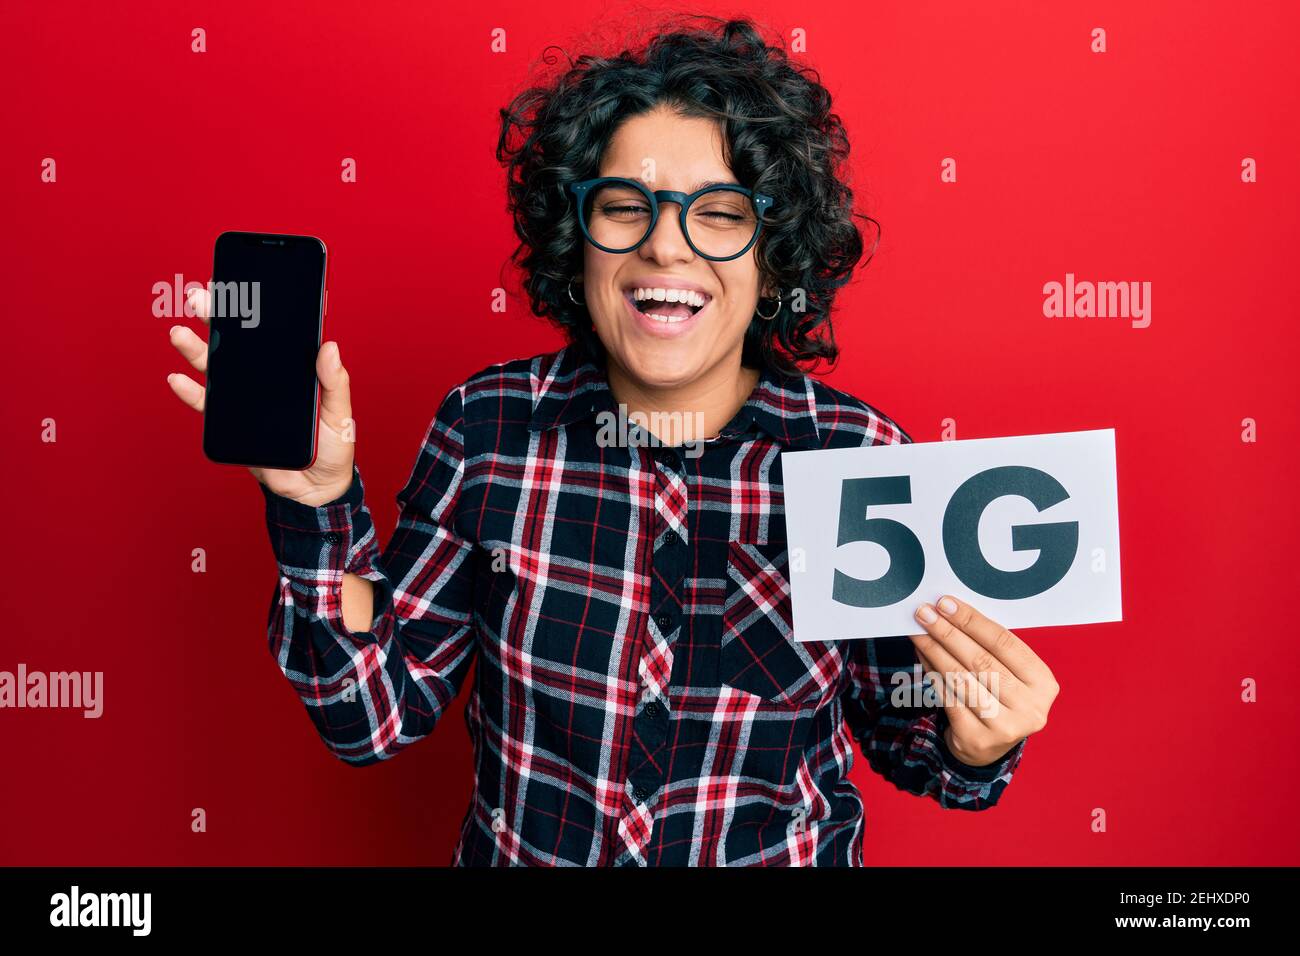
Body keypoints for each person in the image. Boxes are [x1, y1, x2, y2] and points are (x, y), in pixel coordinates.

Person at [166, 15, 1058, 866]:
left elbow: (915, 745)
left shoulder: (855, 454)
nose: (667, 248)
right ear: (577, 236)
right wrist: (316, 508)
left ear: (772, 252)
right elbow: (371, 717)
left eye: (717, 212)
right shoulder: (488, 428)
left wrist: (979, 738)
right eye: (626, 206)